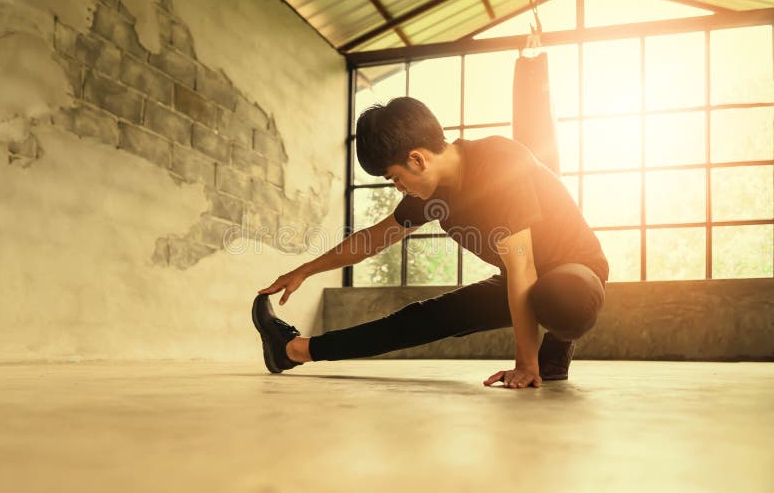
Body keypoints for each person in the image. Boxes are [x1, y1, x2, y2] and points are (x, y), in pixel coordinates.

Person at [253, 97, 608, 389]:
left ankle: (556, 347)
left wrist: (526, 364)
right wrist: (305, 271)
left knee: (559, 296)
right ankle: (293, 351)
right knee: (424, 318)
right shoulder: (432, 193)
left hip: (573, 274)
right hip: (522, 280)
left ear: (418, 160)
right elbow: (373, 239)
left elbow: (522, 264)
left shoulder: (500, 162)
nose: (398, 188)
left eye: (395, 178)